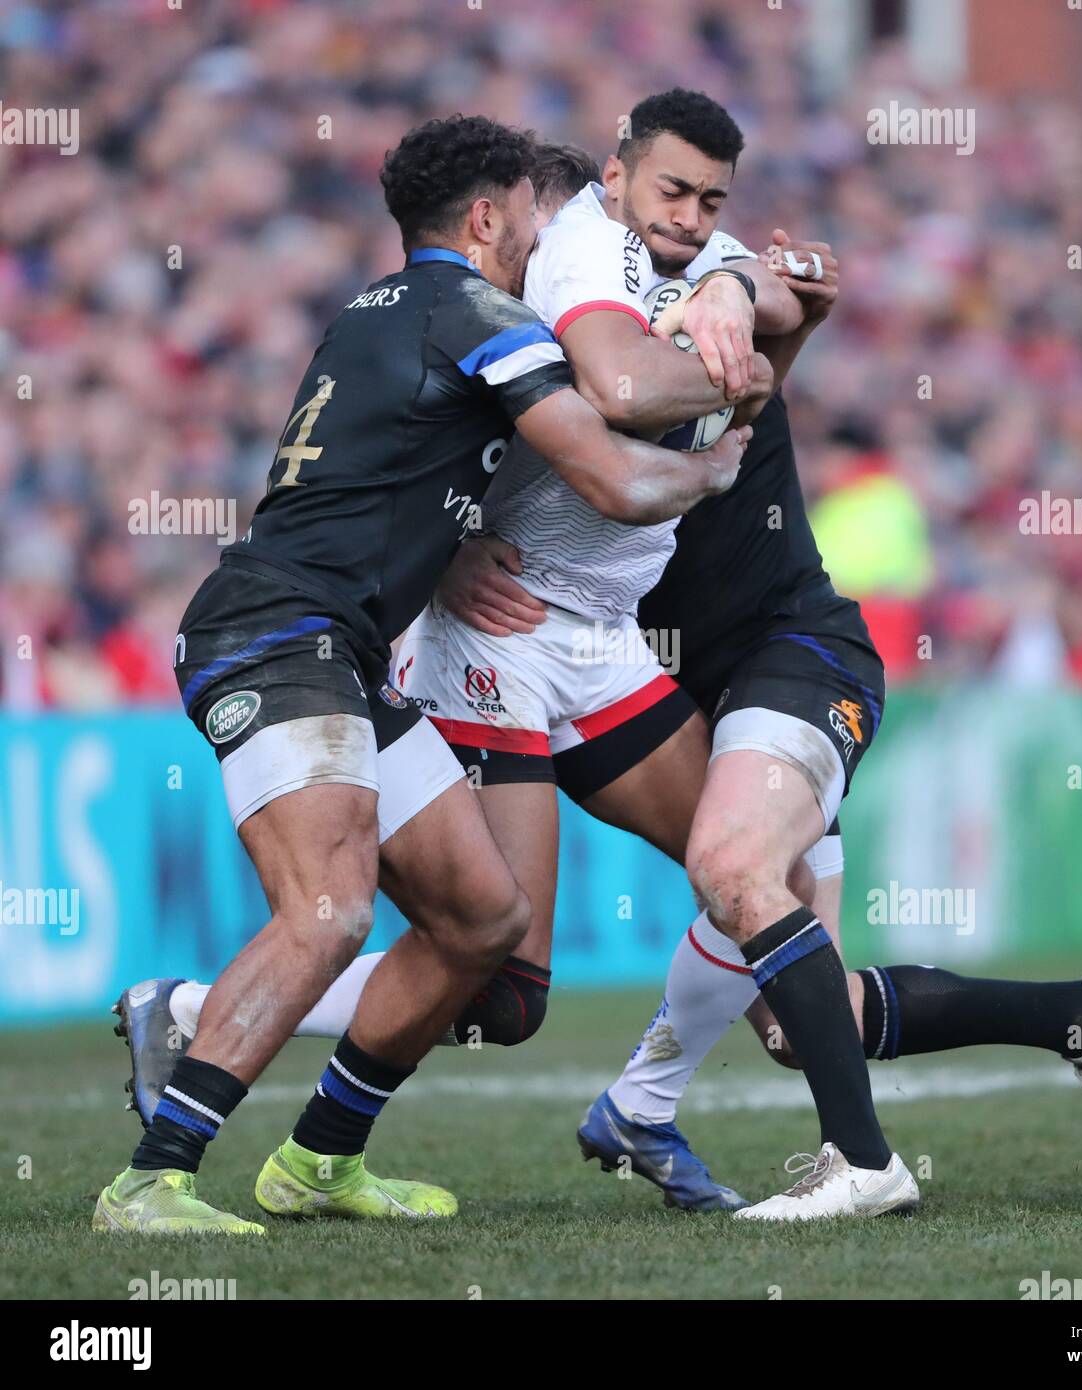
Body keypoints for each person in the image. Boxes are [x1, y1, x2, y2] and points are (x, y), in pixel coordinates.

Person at [94, 114, 751, 1237]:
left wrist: (447, 548)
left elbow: (377, 476)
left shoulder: (372, 311)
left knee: (482, 919)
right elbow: (615, 474)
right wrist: (723, 449)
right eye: (534, 220)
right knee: (330, 907)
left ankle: (321, 1160)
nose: (545, 244)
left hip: (338, 649)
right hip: (279, 637)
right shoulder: (478, 316)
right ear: (488, 217)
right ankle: (152, 1178)